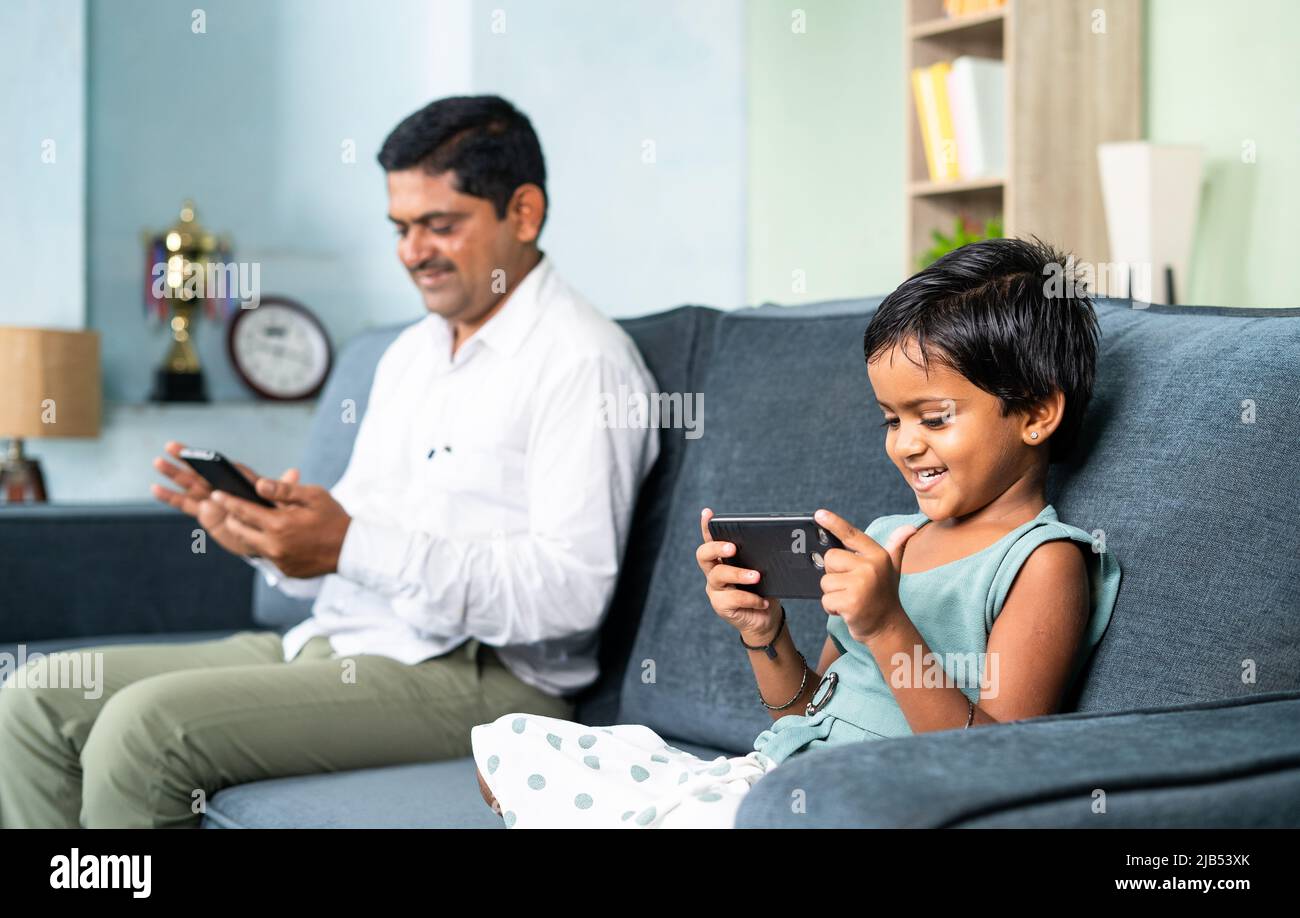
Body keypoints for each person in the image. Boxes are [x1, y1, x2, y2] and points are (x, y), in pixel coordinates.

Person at [0, 95, 660, 828]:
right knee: (35, 700)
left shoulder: (585, 365)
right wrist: (271, 535)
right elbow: (356, 531)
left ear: (524, 212)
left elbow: (569, 598)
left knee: (144, 732)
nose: (413, 251)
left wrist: (347, 543)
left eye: (441, 225)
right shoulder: (410, 353)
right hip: (339, 639)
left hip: (485, 677)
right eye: (401, 228)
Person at [471, 236, 1123, 828]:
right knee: (515, 742)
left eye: (934, 417)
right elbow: (805, 718)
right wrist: (766, 636)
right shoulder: (888, 538)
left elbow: (997, 768)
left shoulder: (1042, 563)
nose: (906, 445)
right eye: (891, 420)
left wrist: (887, 625)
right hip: (785, 777)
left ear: (1037, 412)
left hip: (872, 804)